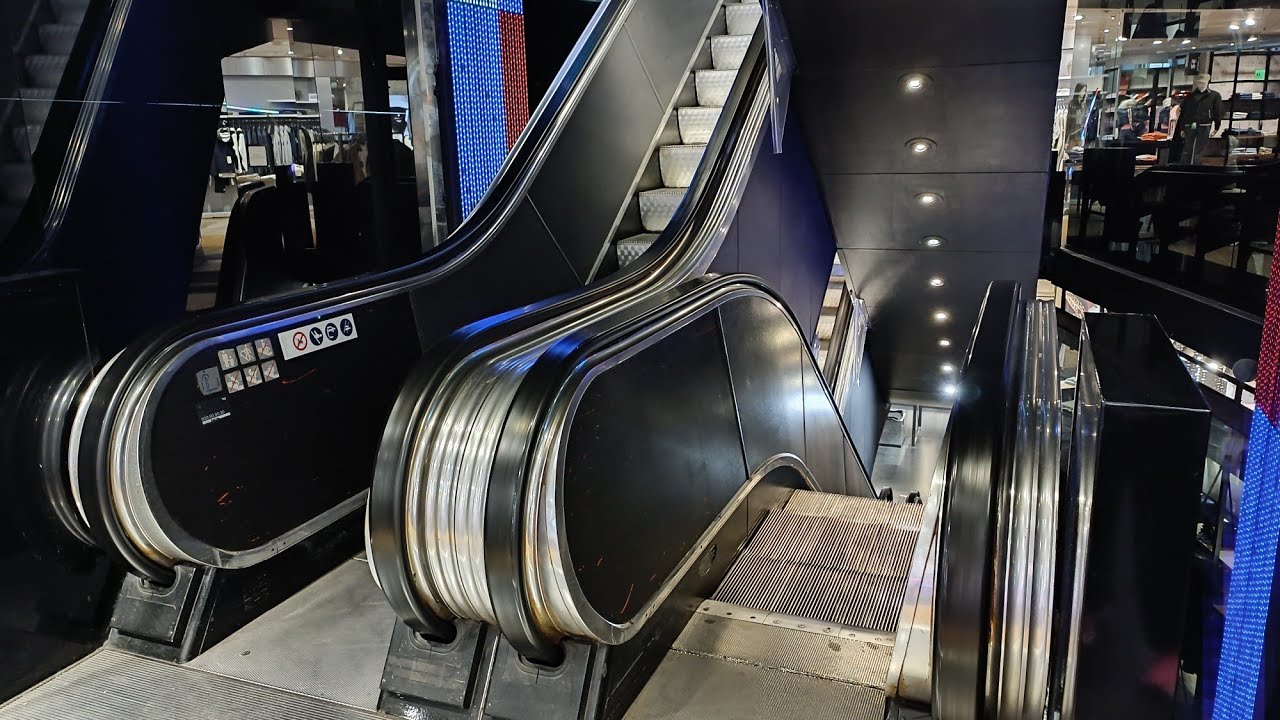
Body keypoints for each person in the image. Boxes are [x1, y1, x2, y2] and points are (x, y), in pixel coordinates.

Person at [1175, 74, 1222, 164]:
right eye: (1199, 83)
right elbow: (1184, 113)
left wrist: (1217, 126)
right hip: (1189, 124)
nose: (1201, 84)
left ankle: (1196, 167)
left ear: (1207, 82)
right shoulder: (1190, 97)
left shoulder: (1214, 96)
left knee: (1200, 148)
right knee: (1187, 148)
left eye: (1203, 82)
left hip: (1205, 124)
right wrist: (1182, 127)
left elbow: (1217, 111)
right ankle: (1184, 168)